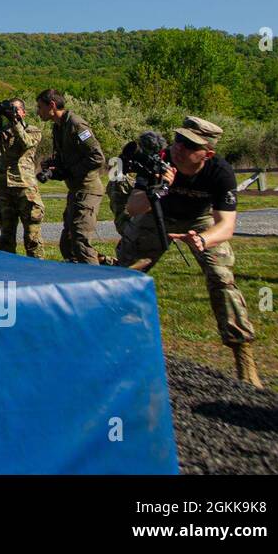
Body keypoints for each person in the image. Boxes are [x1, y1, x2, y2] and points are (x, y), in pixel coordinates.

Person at [102, 117, 261, 387]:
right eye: (179, 140)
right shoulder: (160, 160)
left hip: (198, 222)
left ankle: (243, 355)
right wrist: (158, 188)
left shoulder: (220, 172)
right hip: (156, 214)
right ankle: (108, 344)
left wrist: (202, 239)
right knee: (124, 277)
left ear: (207, 153)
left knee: (222, 277)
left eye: (190, 145)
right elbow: (134, 208)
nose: (180, 148)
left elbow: (226, 226)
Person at [35, 89, 104, 263]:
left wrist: (70, 171)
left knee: (80, 241)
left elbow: (97, 157)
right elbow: (65, 158)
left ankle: (96, 282)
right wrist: (53, 167)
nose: (38, 112)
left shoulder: (76, 125)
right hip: (75, 190)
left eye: (40, 107)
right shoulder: (59, 127)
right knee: (68, 245)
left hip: (87, 189)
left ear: (51, 105)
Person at [0, 99, 45, 258]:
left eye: (15, 109)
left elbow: (26, 143)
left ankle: (38, 270)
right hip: (4, 188)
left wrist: (15, 122)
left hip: (25, 188)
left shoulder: (32, 130)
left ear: (23, 112)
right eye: (10, 109)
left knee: (32, 236)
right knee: (6, 236)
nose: (12, 112)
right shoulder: (1, 130)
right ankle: (9, 270)